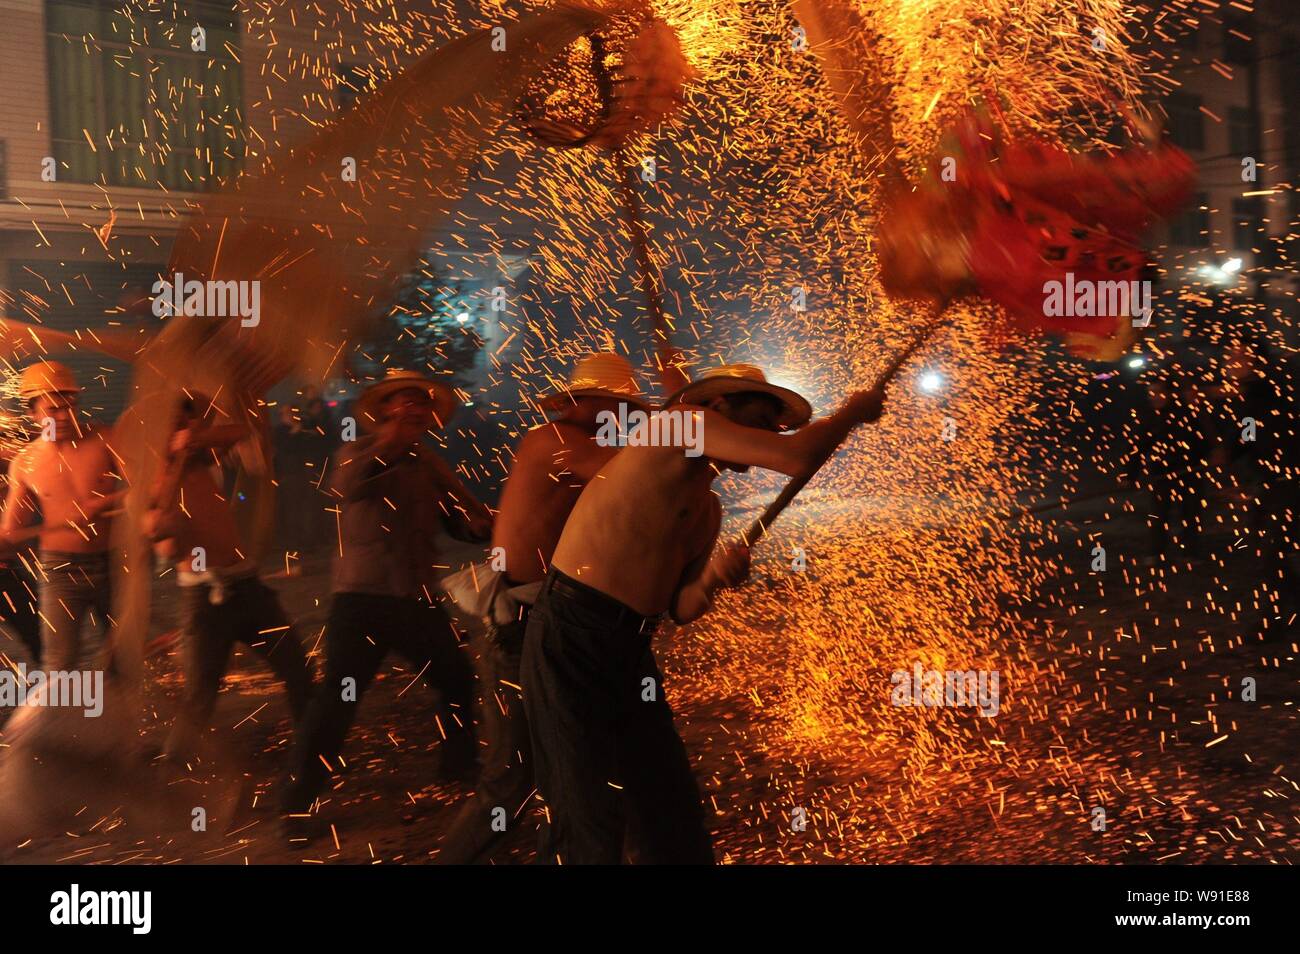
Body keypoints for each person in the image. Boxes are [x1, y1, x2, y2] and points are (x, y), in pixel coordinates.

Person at [521, 364, 884, 864]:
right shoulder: (677, 424)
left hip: (630, 651)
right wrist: (852, 412)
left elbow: (681, 608)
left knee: (670, 810)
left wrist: (713, 577)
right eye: (759, 419)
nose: (766, 435)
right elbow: (799, 456)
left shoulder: (706, 508)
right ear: (716, 407)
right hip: (571, 634)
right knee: (586, 817)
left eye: (772, 428)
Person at [437, 352, 653, 864]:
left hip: (552, 622)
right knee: (513, 780)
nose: (620, 415)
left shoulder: (593, 448)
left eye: (625, 407)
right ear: (582, 403)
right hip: (520, 629)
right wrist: (688, 426)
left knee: (574, 770)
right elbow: (637, 478)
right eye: (614, 404)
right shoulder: (555, 440)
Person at [280, 369, 492, 833]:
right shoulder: (356, 454)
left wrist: (478, 527)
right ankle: (297, 806)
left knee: (457, 678)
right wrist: (392, 441)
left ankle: (458, 768)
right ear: (386, 411)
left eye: (421, 404)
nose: (416, 410)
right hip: (363, 603)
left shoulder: (428, 463)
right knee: (337, 702)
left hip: (416, 600)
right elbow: (345, 489)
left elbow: (455, 519)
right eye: (405, 403)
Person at [145, 392, 314, 760]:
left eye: (187, 419)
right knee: (200, 696)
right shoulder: (152, 479)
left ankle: (313, 753)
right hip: (204, 599)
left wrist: (198, 439)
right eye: (174, 420)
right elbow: (160, 543)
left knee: (298, 670)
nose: (184, 425)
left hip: (249, 587)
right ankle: (173, 770)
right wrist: (162, 530)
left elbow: (244, 430)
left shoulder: (206, 456)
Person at [0, 361, 122, 672]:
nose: (64, 416)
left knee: (122, 659)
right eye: (53, 409)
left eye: (70, 406)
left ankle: (117, 719)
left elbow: (147, 490)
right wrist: (13, 540)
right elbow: (11, 534)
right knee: (59, 665)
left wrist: (104, 503)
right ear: (33, 413)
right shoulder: (25, 463)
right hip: (60, 572)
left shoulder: (105, 439)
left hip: (113, 564)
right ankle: (63, 719)